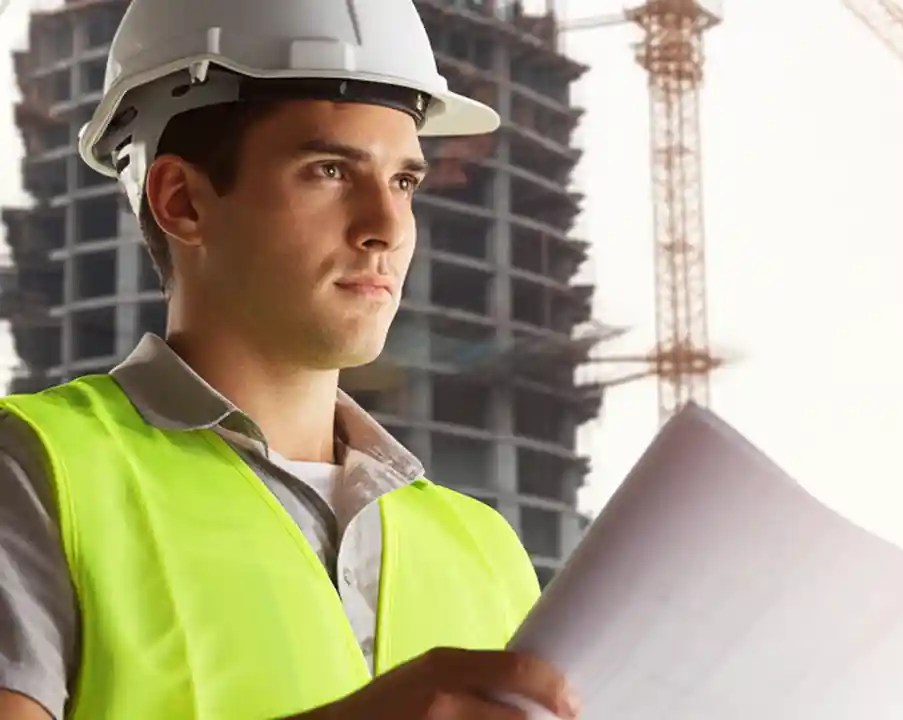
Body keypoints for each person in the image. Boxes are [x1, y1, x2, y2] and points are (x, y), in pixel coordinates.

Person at [0, 0, 580, 718]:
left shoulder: (486, 551)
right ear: (182, 200)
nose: (387, 228)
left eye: (405, 182)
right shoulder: (34, 470)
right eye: (331, 170)